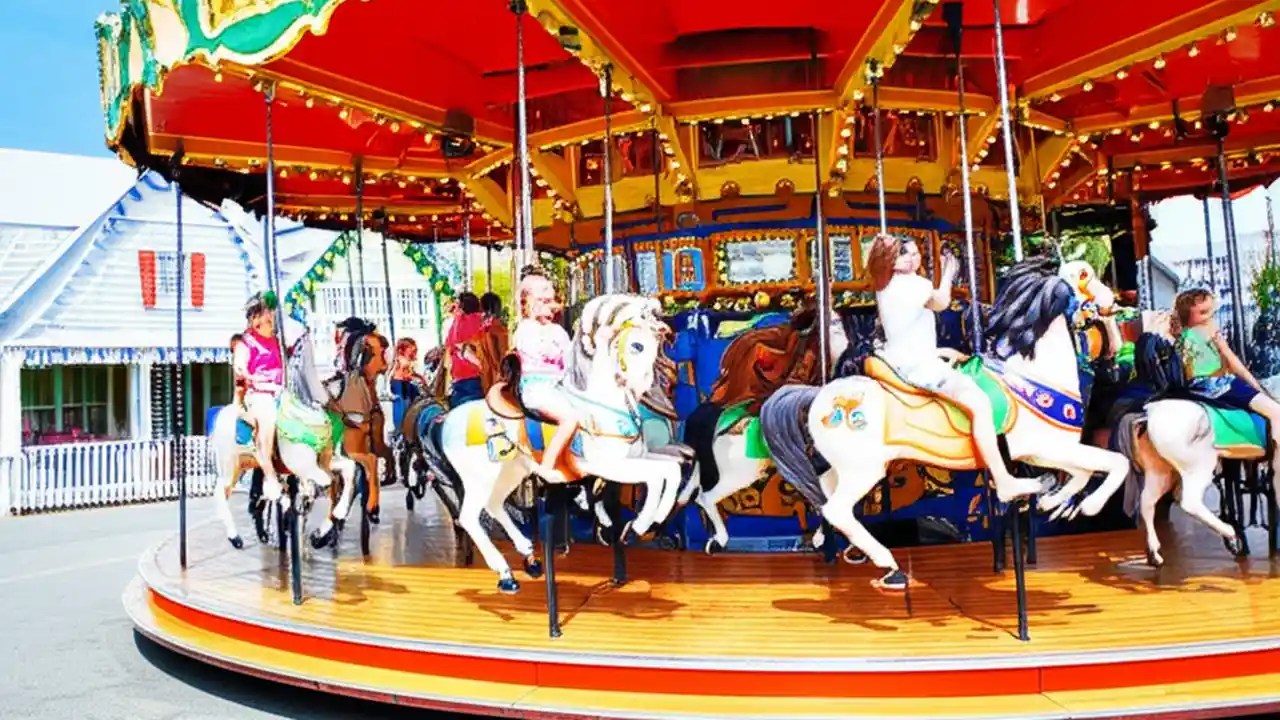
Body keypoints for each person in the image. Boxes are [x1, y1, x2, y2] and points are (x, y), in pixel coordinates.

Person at [866, 234, 1042, 501]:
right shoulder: (911, 284)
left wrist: (939, 351)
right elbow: (941, 302)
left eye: (916, 253)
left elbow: (907, 330)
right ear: (890, 260)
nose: (914, 259)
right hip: (919, 368)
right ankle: (1003, 479)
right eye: (905, 255)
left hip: (903, 358)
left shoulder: (886, 285)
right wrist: (948, 271)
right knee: (979, 402)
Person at [1172, 288, 1280, 450]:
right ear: (1189, 316)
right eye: (1203, 313)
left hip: (1193, 388)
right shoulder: (1207, 332)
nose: (1209, 318)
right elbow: (1235, 366)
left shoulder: (1181, 338)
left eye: (1211, 313)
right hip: (1218, 384)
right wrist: (1258, 388)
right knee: (1275, 411)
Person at [512, 267, 578, 481]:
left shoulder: (557, 331)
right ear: (528, 303)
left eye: (549, 303)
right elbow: (540, 352)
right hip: (537, 388)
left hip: (559, 386)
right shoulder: (526, 329)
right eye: (542, 302)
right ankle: (547, 467)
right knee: (569, 418)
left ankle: (575, 461)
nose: (549, 308)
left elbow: (569, 359)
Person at [233, 293, 285, 499]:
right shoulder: (246, 343)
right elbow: (240, 367)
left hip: (281, 390)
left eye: (268, 314)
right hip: (260, 392)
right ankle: (271, 476)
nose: (266, 318)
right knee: (268, 418)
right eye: (260, 315)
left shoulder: (278, 341)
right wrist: (253, 377)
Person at [445, 292, 485, 406]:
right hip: (476, 377)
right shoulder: (480, 320)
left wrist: (458, 317)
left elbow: (456, 342)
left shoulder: (465, 321)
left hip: (466, 377)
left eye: (457, 304)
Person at [477, 292, 510, 394]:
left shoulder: (487, 327)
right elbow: (501, 355)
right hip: (495, 377)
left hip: (489, 377)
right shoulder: (496, 327)